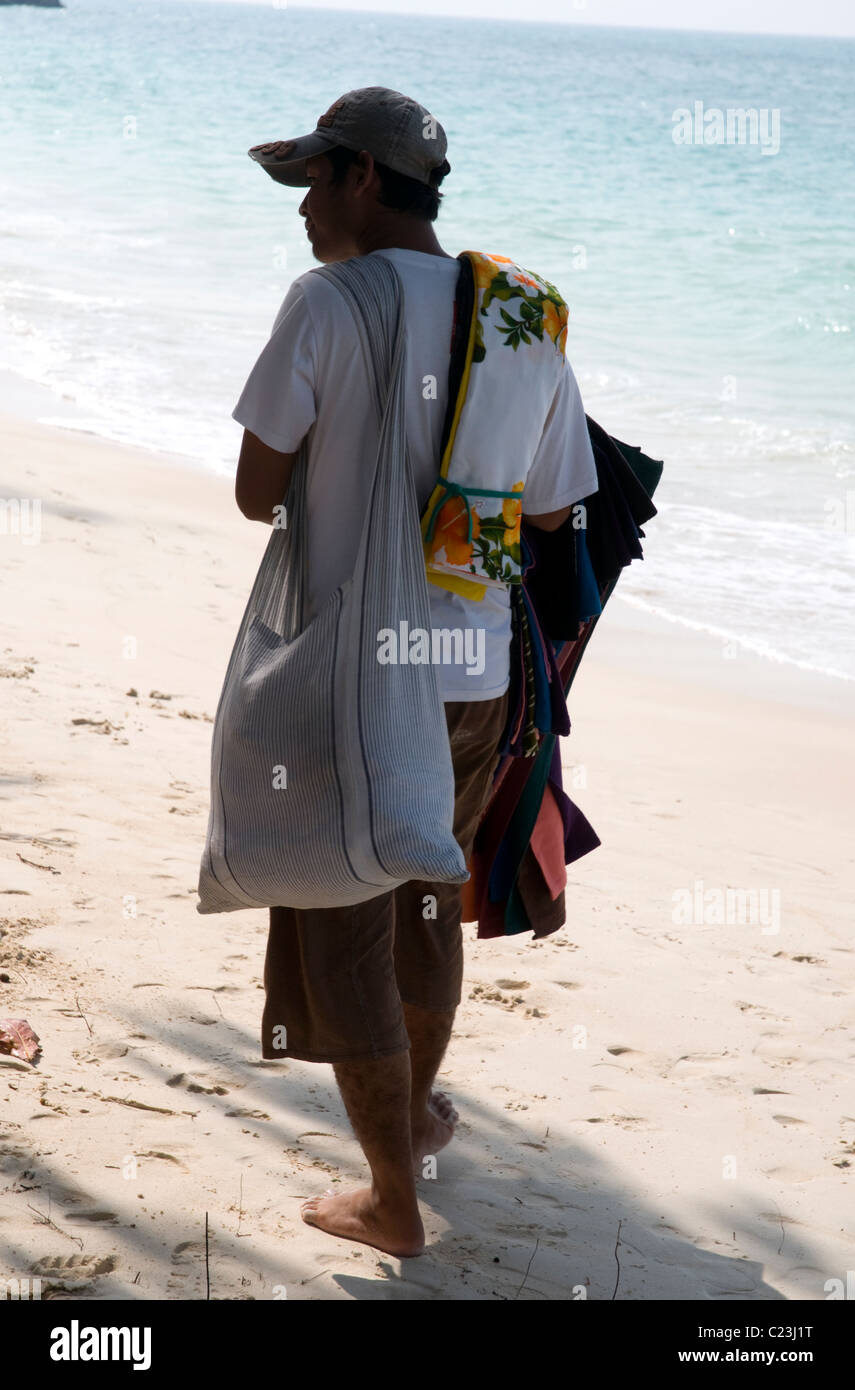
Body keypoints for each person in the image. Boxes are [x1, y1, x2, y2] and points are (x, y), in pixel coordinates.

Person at [232, 88, 597, 1257]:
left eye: (312, 181)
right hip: (474, 670)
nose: (301, 209)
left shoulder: (325, 303)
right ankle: (415, 1120)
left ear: (356, 179)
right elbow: (551, 509)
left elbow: (253, 491)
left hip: (355, 678)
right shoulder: (524, 314)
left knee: (341, 915)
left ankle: (391, 1198)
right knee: (427, 893)